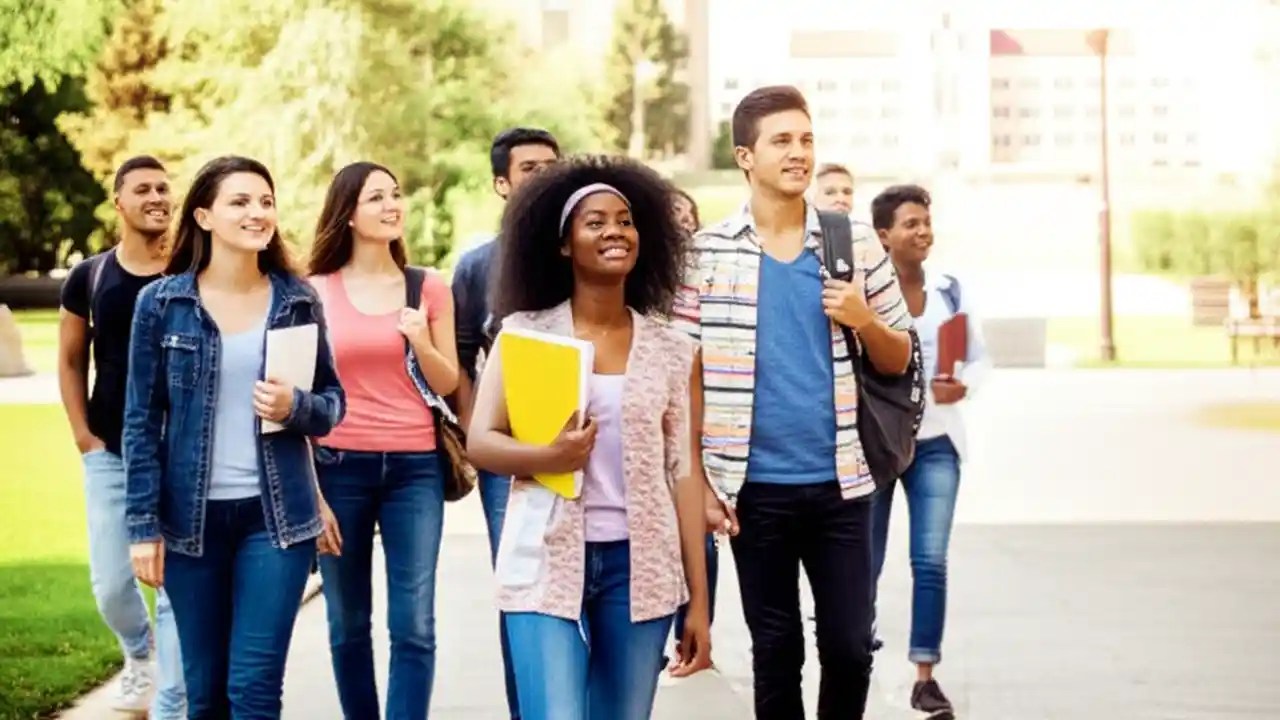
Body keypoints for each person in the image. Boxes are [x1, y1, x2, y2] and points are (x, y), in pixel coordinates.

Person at [671, 85, 914, 720]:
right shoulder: (707, 253)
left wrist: (863, 319)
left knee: (850, 647)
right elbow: (680, 376)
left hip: (842, 480)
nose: (799, 153)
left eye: (807, 139)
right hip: (752, 489)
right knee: (776, 650)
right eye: (782, 140)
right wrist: (696, 480)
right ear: (744, 156)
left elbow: (900, 359)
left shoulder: (853, 243)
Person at [466, 155, 713, 720]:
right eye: (595, 222)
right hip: (545, 555)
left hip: (641, 568)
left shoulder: (674, 350)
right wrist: (548, 456)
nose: (614, 232)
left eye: (625, 220)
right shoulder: (526, 335)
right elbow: (481, 441)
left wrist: (699, 600)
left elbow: (685, 473)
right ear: (562, 244)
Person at [124, 154, 344, 718]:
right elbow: (141, 423)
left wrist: (296, 407)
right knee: (206, 694)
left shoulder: (297, 299)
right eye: (241, 202)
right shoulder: (162, 303)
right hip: (188, 524)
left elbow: (332, 404)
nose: (258, 213)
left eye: (266, 201)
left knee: (253, 687)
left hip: (276, 522)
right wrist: (143, 526)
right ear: (204, 216)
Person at [306, 161, 460, 719]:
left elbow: (449, 382)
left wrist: (419, 337)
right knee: (346, 623)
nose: (392, 204)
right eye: (377, 197)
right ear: (348, 213)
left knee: (413, 624)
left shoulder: (428, 287)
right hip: (337, 465)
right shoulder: (312, 291)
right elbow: (300, 398)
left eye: (396, 194)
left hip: (415, 467)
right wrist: (311, 492)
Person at [57, 155, 186, 718]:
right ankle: (140, 654)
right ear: (120, 203)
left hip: (180, 451)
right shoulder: (91, 275)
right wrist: (84, 435)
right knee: (112, 583)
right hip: (110, 451)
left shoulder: (188, 271)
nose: (157, 196)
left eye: (163, 187)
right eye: (143, 189)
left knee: (178, 587)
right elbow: (68, 359)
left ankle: (175, 701)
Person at [450, 126, 560, 719]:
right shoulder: (476, 268)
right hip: (508, 461)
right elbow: (465, 353)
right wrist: (479, 438)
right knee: (520, 590)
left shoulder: (591, 249)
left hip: (586, 449)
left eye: (552, 165)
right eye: (528, 169)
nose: (542, 176)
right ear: (501, 183)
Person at [869, 184, 989, 720]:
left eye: (926, 222)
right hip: (876, 447)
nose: (922, 232)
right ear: (883, 236)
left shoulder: (950, 292)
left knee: (930, 561)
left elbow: (978, 358)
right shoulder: (866, 293)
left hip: (938, 443)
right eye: (910, 224)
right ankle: (855, 660)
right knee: (860, 564)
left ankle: (925, 676)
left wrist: (964, 384)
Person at [666, 187, 719, 672]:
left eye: (689, 214)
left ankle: (696, 626)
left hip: (691, 444)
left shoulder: (707, 281)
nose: (683, 223)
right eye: (672, 215)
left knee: (699, 536)